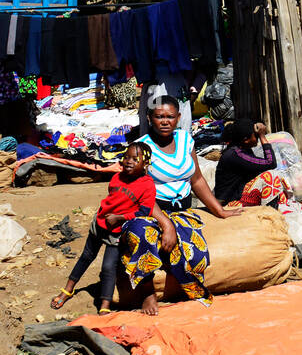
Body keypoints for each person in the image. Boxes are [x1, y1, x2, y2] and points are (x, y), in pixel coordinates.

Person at [121, 97, 239, 314]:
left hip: (182, 210)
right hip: (151, 211)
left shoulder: (186, 140)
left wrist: (219, 210)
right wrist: (166, 225)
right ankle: (148, 293)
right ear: (149, 118)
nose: (165, 121)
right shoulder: (141, 148)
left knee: (194, 253)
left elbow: (197, 180)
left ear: (178, 118)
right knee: (141, 234)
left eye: (169, 116)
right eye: (159, 117)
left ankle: (185, 284)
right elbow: (139, 193)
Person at [51, 141, 156, 314]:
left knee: (108, 267)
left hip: (116, 231)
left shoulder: (147, 185)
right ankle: (67, 289)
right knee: (86, 257)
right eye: (126, 157)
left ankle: (104, 306)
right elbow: (111, 199)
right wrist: (108, 216)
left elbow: (144, 211)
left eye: (135, 159)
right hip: (99, 224)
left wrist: (120, 218)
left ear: (146, 163)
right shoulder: (117, 177)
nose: (129, 161)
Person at [213, 118, 300, 211]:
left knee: (277, 179)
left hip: (237, 194)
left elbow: (262, 167)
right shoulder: (235, 155)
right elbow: (271, 163)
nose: (258, 138)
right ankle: (272, 212)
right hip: (230, 203)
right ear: (246, 140)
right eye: (256, 136)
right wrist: (263, 136)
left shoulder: (241, 150)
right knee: (271, 176)